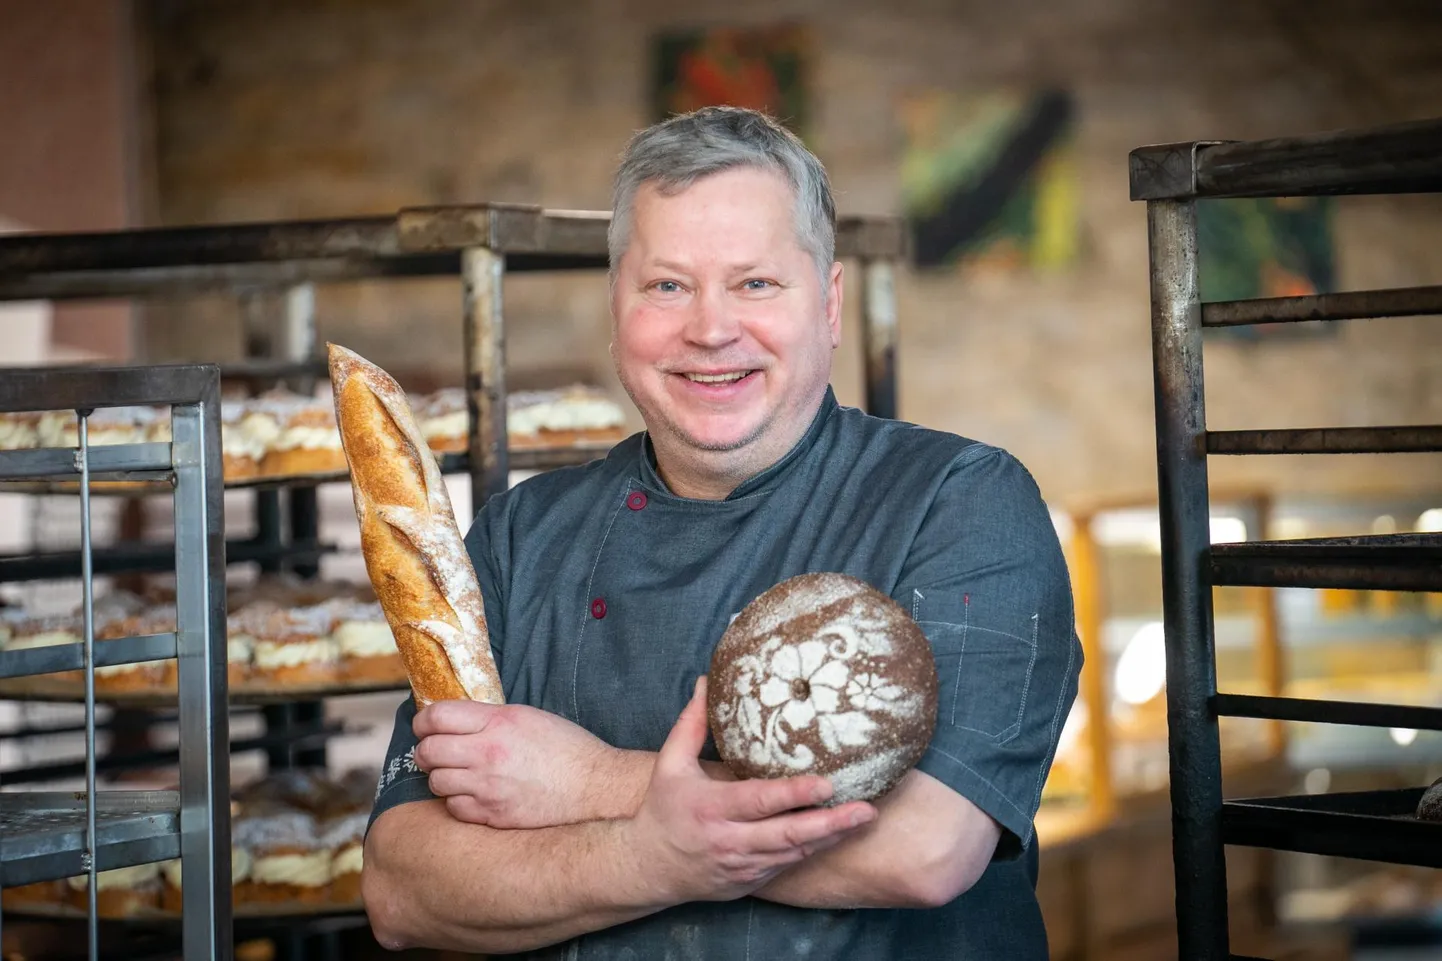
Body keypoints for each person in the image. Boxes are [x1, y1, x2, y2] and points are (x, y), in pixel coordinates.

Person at [362, 105, 1082, 960]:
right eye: (667, 285)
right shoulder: (522, 536)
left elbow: (924, 846)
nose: (710, 328)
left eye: (755, 283)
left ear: (830, 303)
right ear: (615, 305)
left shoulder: (960, 501)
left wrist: (588, 782)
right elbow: (402, 888)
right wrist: (645, 857)